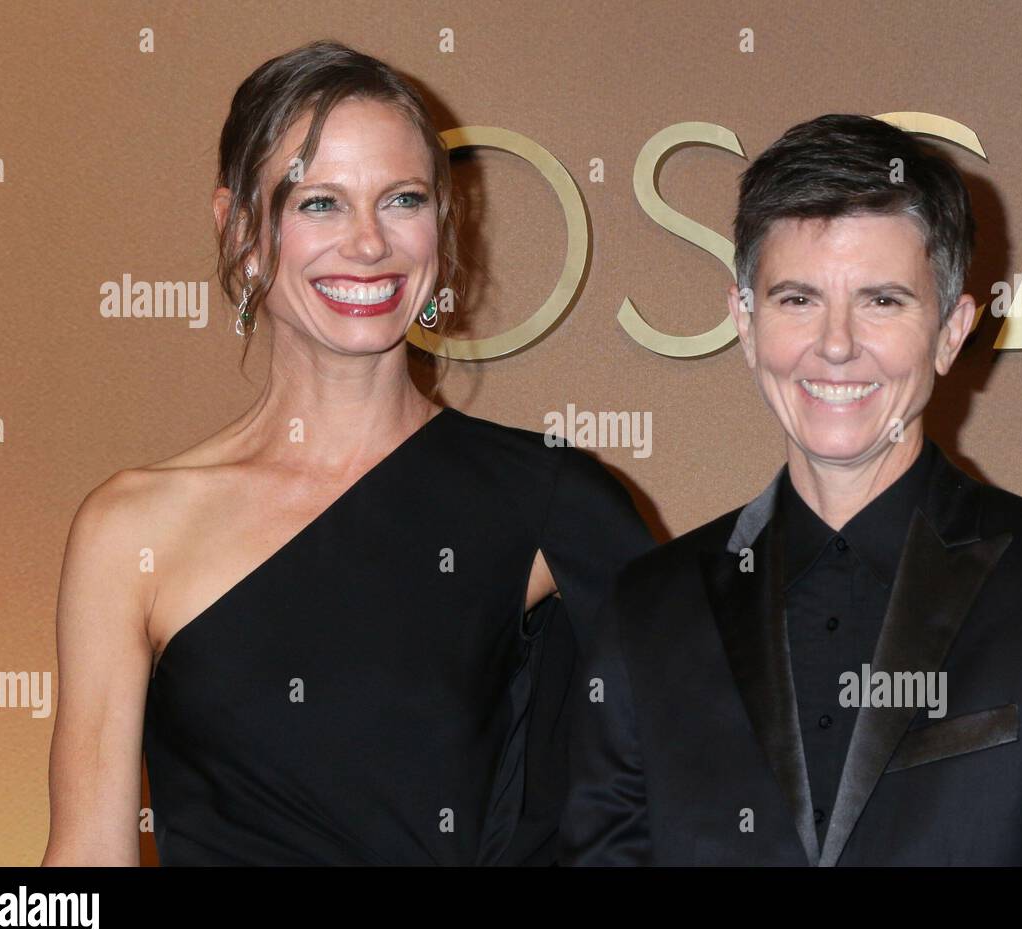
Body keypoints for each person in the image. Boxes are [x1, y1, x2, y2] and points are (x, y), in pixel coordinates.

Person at [41, 40, 653, 866]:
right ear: (243, 233)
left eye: (401, 200)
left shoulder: (546, 496)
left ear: (443, 221)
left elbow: (699, 790)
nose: (369, 245)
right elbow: (79, 871)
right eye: (320, 204)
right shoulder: (132, 528)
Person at [560, 114, 1022, 866]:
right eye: (797, 300)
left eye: (882, 301)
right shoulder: (648, 606)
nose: (837, 343)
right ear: (744, 325)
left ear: (950, 330)